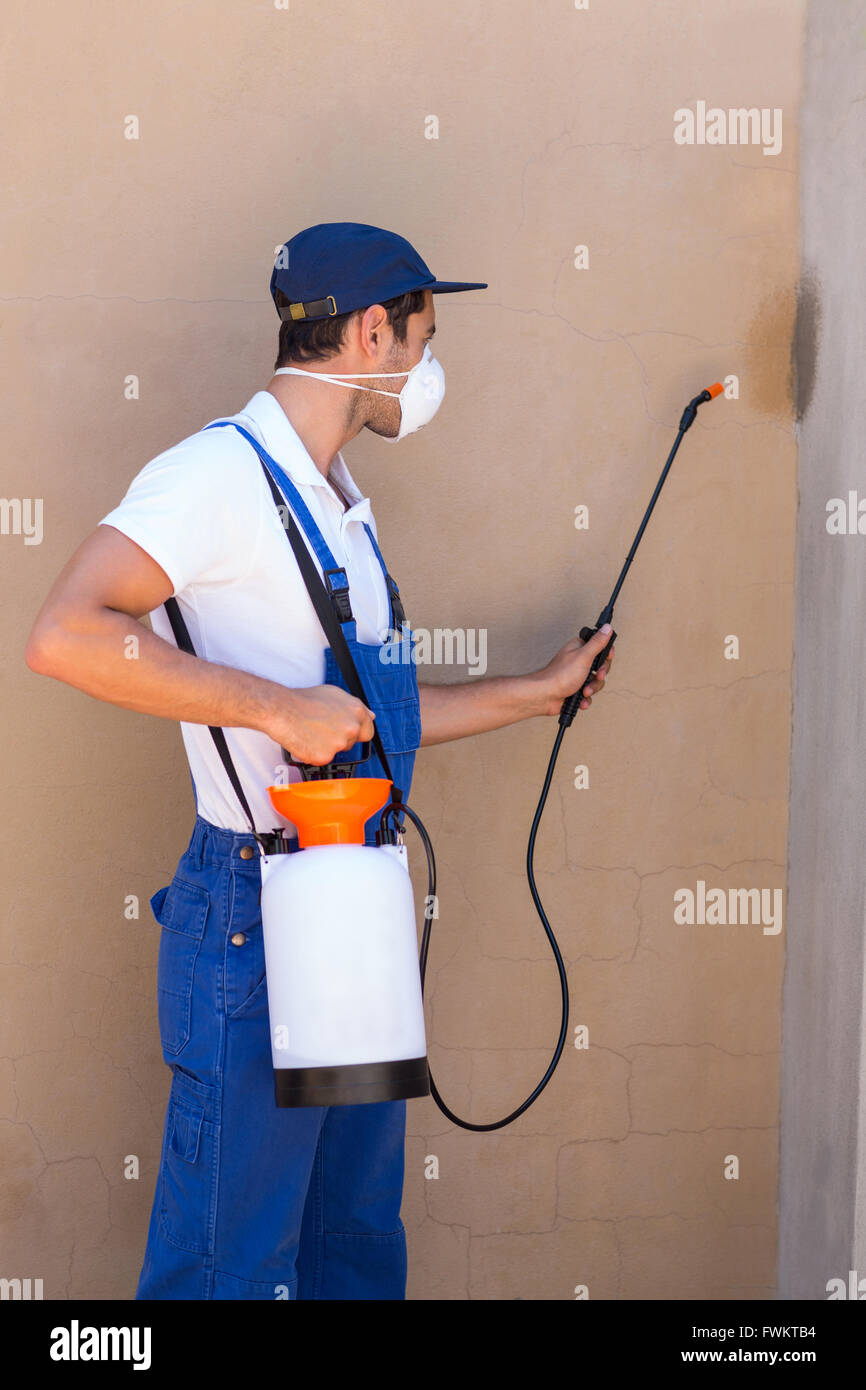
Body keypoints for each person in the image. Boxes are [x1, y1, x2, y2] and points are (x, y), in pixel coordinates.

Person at [24, 221, 614, 1301]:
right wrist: (275, 709)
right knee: (231, 1263)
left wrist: (535, 692)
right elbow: (63, 633)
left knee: (349, 1245)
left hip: (354, 903)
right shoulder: (217, 474)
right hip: (252, 910)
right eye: (424, 341)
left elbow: (358, 722)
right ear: (372, 332)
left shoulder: (335, 498)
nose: (427, 372)